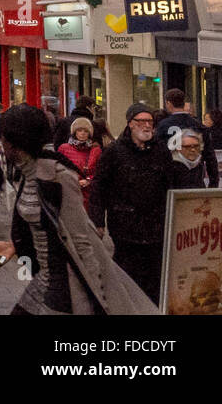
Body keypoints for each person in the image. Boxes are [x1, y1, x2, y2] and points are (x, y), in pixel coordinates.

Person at [0, 104, 157, 314]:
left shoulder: (57, 176)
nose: (1, 144)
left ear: (16, 141)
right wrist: (14, 246)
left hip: (64, 288)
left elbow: (81, 240)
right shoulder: (25, 174)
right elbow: (43, 225)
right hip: (42, 281)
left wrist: (99, 300)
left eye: (3, 138)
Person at [89, 103, 176, 303]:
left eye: (150, 122)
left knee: (155, 276)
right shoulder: (114, 152)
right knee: (127, 274)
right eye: (141, 121)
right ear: (130, 124)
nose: (147, 126)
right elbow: (99, 187)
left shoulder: (161, 151)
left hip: (156, 226)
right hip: (125, 227)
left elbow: (170, 185)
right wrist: (98, 221)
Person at [154, 88, 219, 188]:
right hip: (195, 179)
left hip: (171, 181)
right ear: (183, 103)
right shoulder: (198, 125)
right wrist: (213, 183)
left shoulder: (163, 126)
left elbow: (157, 154)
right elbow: (210, 157)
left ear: (168, 103)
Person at [56, 117, 103, 211]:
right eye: (79, 130)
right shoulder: (64, 148)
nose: (82, 133)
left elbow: (100, 171)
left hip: (88, 195)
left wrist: (89, 180)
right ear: (74, 132)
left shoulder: (95, 151)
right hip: (68, 192)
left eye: (85, 131)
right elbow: (57, 168)